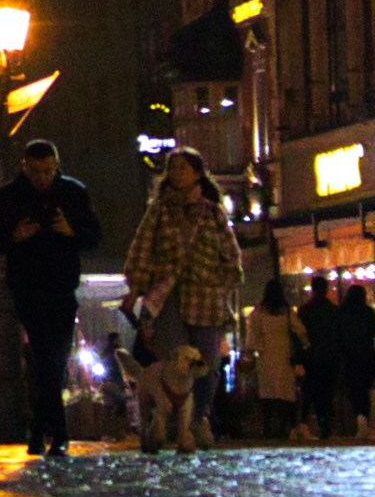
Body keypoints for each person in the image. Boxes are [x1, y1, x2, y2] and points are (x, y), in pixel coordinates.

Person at [0, 133, 98, 455]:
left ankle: (39, 428)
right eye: (36, 172)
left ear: (56, 166)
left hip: (61, 285)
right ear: (25, 167)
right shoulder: (10, 197)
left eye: (48, 171)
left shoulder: (72, 193)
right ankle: (56, 432)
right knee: (47, 356)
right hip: (28, 286)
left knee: (52, 358)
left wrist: (70, 232)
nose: (43, 178)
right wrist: (14, 235)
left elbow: (93, 235)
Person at [122, 142, 244, 448]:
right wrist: (136, 288)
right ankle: (162, 421)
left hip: (206, 298)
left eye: (183, 168)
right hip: (169, 297)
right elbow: (141, 249)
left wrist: (222, 285)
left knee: (208, 363)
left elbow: (231, 255)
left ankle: (197, 418)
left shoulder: (213, 213)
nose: (176, 174)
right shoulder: (159, 211)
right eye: (172, 169)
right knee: (171, 362)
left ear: (198, 174)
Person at [244, 267, 304, 439]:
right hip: (284, 354)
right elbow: (300, 330)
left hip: (265, 356)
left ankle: (268, 427)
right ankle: (286, 426)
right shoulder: (286, 311)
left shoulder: (259, 311)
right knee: (285, 392)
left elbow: (252, 335)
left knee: (267, 393)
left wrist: (251, 351)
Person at [331, 276, 375, 441]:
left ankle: (359, 418)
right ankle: (364, 418)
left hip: (349, 358)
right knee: (365, 389)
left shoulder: (341, 313)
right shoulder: (368, 312)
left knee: (354, 390)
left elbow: (337, 337)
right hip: (367, 357)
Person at [295, 276, 346, 442]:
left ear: (313, 289)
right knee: (327, 391)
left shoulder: (304, 311)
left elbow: (299, 336)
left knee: (310, 390)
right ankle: (326, 424)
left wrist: (299, 357)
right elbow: (339, 335)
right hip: (331, 357)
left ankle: (305, 423)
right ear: (326, 289)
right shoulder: (334, 311)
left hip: (311, 357)